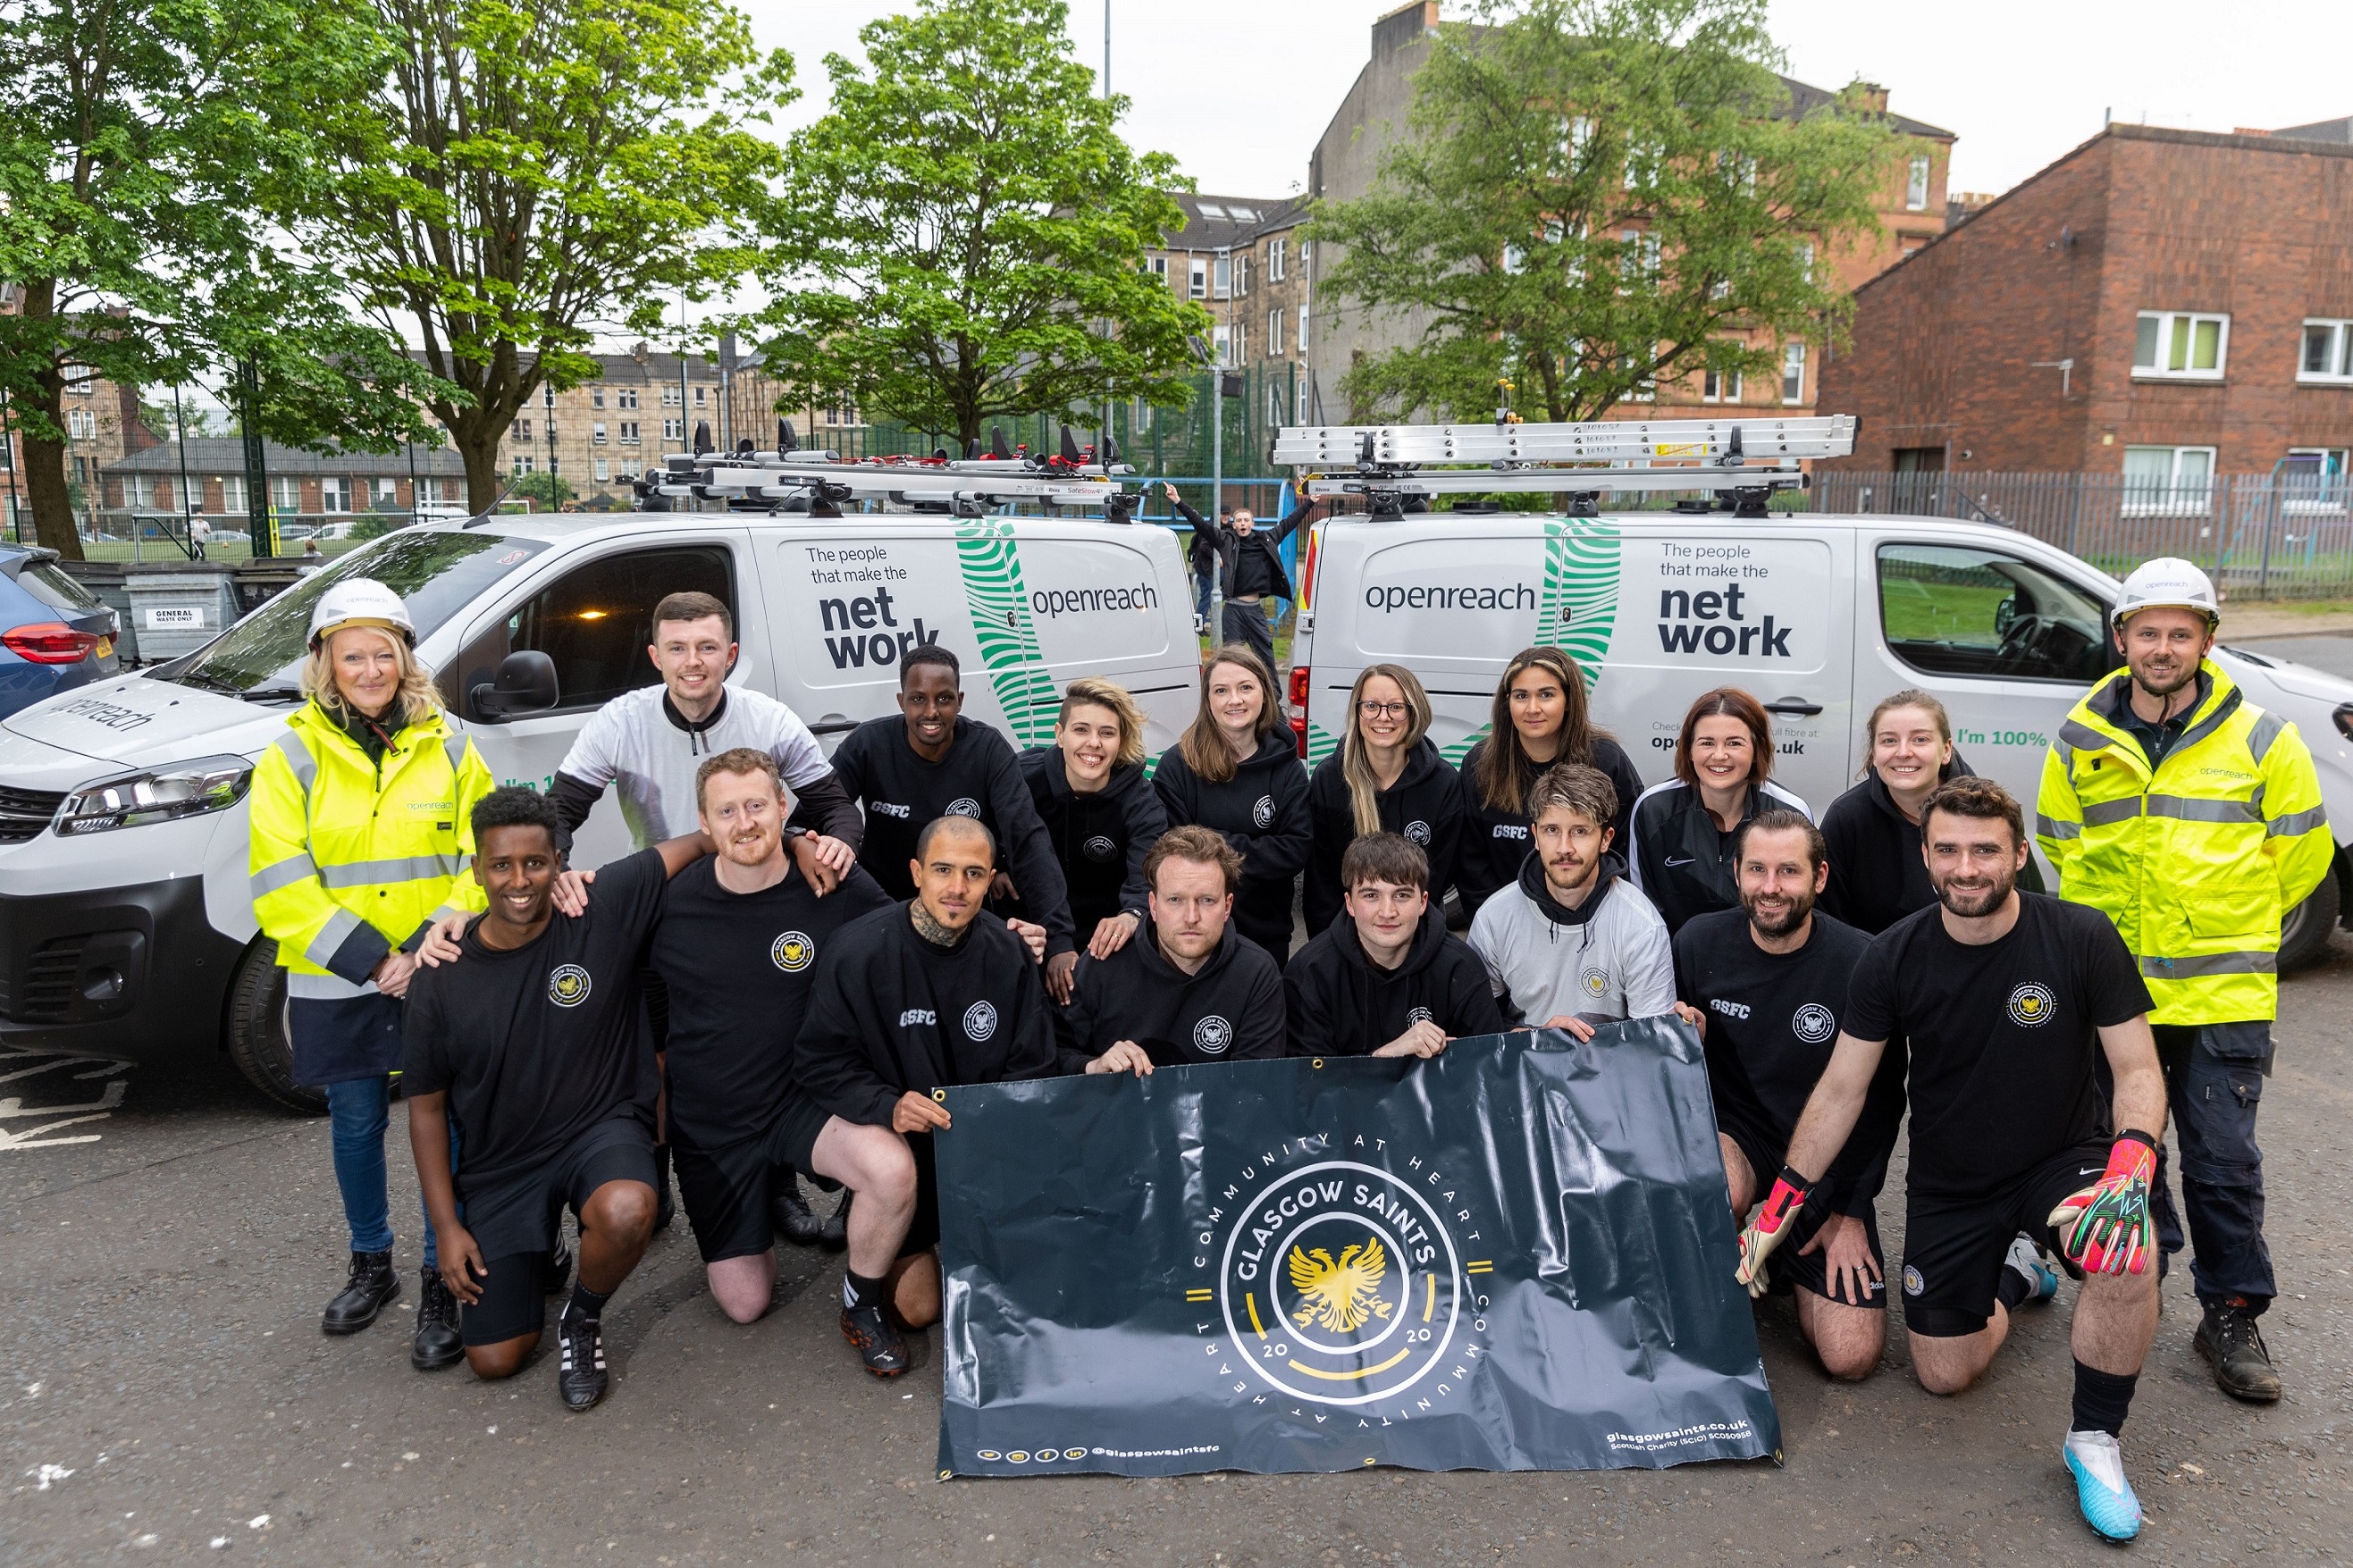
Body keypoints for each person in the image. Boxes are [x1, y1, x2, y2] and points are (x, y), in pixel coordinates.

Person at [1740, 776, 2167, 1543]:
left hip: (2063, 1161)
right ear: (1926, 854)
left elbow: (2136, 1071)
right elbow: (1840, 1089)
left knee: (2125, 1253)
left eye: (1984, 850)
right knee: (1942, 1371)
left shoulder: (2080, 934)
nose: (1965, 867)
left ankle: (2093, 1440)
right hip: (1950, 1183)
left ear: (2018, 853)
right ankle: (2020, 1270)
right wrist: (1781, 1202)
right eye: (1947, 850)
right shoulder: (1891, 957)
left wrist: (2130, 1164)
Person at [2037, 558, 2332, 1405]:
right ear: (2120, 636)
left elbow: (2303, 856)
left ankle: (2231, 1312)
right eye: (2147, 631)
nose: (2161, 647)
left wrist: (2218, 926)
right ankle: (2146, 1280)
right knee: (2129, 1153)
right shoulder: (2081, 735)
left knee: (2223, 1162)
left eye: (2180, 632)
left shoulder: (2262, 738)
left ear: (2207, 639)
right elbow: (2056, 842)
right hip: (2118, 997)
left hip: (2221, 996)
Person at [550, 590, 863, 1242]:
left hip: (753, 899)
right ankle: (657, 1179)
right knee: (658, 1053)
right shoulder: (619, 719)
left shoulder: (768, 718)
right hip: (667, 909)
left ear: (731, 654)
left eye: (706, 647)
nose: (693, 662)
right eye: (678, 648)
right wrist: (556, 871)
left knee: (765, 1041)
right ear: (655, 655)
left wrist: (826, 843)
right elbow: (559, 811)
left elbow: (835, 807)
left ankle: (775, 1180)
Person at [246, 578, 494, 1370]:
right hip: (341, 975)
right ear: (324, 661)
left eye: (382, 652)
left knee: (443, 1123)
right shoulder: (289, 754)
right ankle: (370, 1262)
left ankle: (438, 1272)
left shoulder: (452, 741)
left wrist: (426, 944)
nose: (369, 667)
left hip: (437, 967)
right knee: (356, 1123)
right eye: (351, 654)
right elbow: (279, 880)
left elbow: (481, 857)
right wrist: (373, 958)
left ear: (404, 658)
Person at [402, 789, 710, 1409]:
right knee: (494, 1360)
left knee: (626, 1209)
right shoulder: (440, 972)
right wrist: (446, 1227)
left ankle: (583, 1317)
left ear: (559, 861)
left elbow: (698, 842)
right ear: (476, 871)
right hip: (504, 1164)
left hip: (601, 1131)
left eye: (536, 863)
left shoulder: (600, 907)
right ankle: (543, 1245)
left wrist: (797, 841)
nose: (519, 880)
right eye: (501, 865)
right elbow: (426, 1109)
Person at [789, 815, 1061, 1375]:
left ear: (991, 881)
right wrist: (887, 1105)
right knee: (918, 1310)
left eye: (973, 874)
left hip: (980, 1156)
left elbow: (1032, 1066)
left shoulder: (1007, 954)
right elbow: (820, 1062)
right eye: (942, 870)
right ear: (916, 873)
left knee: (1039, 1296)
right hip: (905, 1150)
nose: (957, 888)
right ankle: (861, 1291)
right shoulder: (859, 950)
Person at [650, 750, 894, 1322]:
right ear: (704, 825)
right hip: (715, 1124)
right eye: (727, 811)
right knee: (745, 1304)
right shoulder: (669, 902)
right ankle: (757, 1197)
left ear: (783, 807)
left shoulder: (833, 879)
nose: (746, 823)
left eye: (758, 805)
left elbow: (911, 934)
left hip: (803, 1105)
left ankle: (863, 1304)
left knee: (890, 1170)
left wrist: (1008, 934)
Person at [1673, 809, 1899, 1380]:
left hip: (1824, 1162)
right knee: (1715, 1187)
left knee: (1851, 1359)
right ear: (1737, 874)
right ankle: (1721, 1266)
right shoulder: (1699, 941)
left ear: (1819, 878)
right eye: (1757, 870)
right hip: (1740, 1139)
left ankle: (1779, 1254)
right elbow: (1662, 1066)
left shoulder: (1863, 961)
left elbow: (1883, 1099)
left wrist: (1848, 1208)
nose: (1771, 888)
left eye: (1789, 872)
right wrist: (1682, 1038)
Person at [829, 644, 1079, 996]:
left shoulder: (988, 748)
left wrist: (1059, 939)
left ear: (960, 700)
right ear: (901, 701)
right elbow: (820, 812)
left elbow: (1027, 837)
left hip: (961, 909)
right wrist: (801, 841)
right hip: (884, 906)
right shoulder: (868, 745)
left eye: (944, 699)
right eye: (918, 699)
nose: (931, 711)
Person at [1466, 762, 1674, 1036]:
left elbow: (1650, 1044)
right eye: (1552, 830)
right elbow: (1476, 1027)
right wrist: (1529, 1040)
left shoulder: (1642, 927)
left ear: (1605, 839)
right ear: (1536, 836)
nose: (1564, 848)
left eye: (1580, 831)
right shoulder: (1494, 918)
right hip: (1522, 1067)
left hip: (1609, 1071)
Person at [1058, 826, 1286, 1075]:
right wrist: (1093, 1066)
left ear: (1227, 906)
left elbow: (1256, 1087)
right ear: (1153, 906)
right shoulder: (1102, 961)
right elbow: (1054, 1055)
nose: (1191, 917)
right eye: (1175, 900)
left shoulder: (1255, 974)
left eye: (1206, 900)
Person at [1819, 690, 2039, 934]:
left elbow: (2033, 909)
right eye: (1889, 740)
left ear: (1946, 750)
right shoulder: (1847, 818)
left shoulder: (1991, 812)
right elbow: (1828, 922)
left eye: (1920, 740)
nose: (1903, 752)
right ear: (1873, 754)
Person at [1152, 646, 1312, 967]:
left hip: (1266, 933)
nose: (1234, 700)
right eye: (1221, 690)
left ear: (1264, 694)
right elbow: (1169, 848)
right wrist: (1256, 851)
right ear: (1208, 700)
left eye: (1245, 688)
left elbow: (1296, 848)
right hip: (1192, 934)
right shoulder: (1178, 765)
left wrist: (1208, 845)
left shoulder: (1287, 768)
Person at [1457, 646, 1644, 917]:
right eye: (1521, 696)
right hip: (1507, 921)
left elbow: (1627, 852)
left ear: (1568, 700)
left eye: (1546, 695)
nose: (1533, 708)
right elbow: (1470, 861)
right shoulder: (1480, 764)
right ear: (1506, 701)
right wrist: (1498, 920)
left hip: (1591, 917)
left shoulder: (1607, 761)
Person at [1285, 833, 1507, 1059]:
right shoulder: (1309, 974)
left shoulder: (1461, 967)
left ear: (1423, 902)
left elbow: (1489, 1068)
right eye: (1371, 895)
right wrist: (1384, 1057)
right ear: (1350, 903)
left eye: (1401, 895)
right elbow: (1307, 1084)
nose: (1387, 912)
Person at [1011, 677, 1168, 974]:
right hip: (1030, 927)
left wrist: (1132, 914)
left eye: (1106, 733)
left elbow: (1147, 878)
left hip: (1103, 937)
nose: (1093, 743)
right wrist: (999, 862)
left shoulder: (1141, 803)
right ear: (1059, 734)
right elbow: (977, 833)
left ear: (1120, 741)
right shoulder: (1020, 780)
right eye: (1081, 730)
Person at [1628, 687, 1810, 935]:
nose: (1720, 755)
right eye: (1707, 743)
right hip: (1674, 963)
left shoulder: (1790, 813)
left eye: (1734, 743)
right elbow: (1642, 913)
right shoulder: (1654, 810)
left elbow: (1799, 912)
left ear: (1757, 750)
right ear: (1689, 750)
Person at [1305, 664, 1464, 936]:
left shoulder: (1443, 784)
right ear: (1357, 712)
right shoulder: (1330, 779)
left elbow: (1437, 881)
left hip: (1414, 935)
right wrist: (1332, 949)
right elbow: (1321, 883)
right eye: (1371, 706)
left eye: (1396, 707)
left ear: (1414, 713)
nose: (1383, 717)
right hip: (1343, 936)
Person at [1165, 481, 1315, 673]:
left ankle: (1273, 700)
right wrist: (1177, 501)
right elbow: (1200, 524)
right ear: (1233, 524)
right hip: (1234, 610)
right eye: (1239, 520)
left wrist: (1310, 501)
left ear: (1252, 524)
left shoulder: (1267, 539)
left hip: (1254, 610)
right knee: (1232, 660)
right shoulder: (1226, 541)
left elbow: (1290, 522)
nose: (1243, 524)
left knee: (1265, 657)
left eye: (1246, 520)